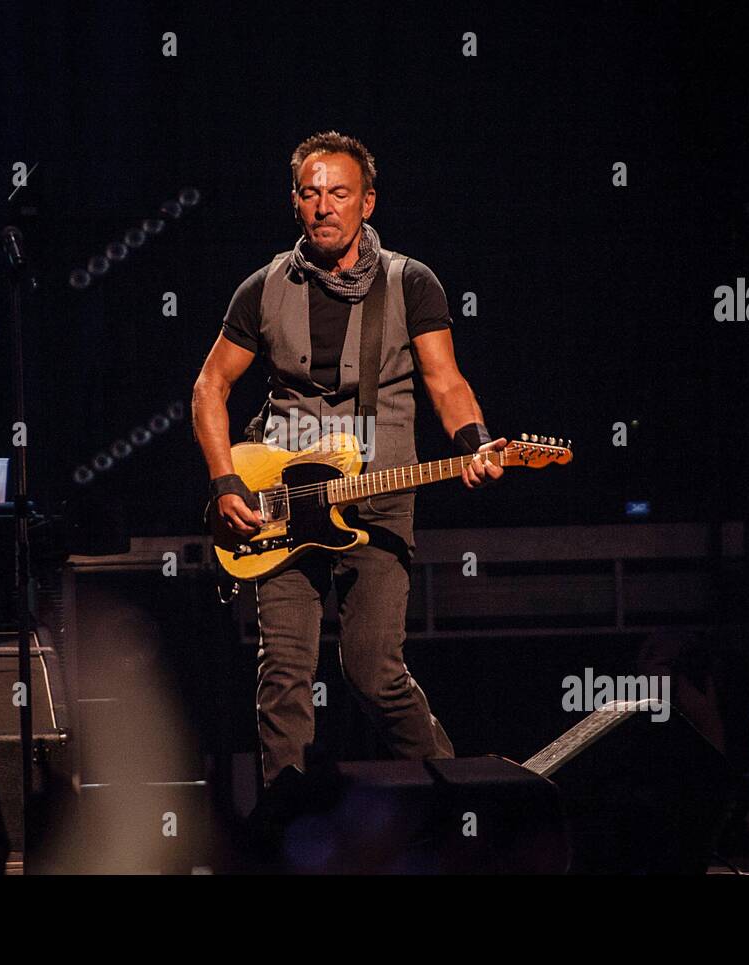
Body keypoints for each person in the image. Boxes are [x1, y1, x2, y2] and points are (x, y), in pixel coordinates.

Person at [192, 131, 504, 787]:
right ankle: (288, 822)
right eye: (311, 193)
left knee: (373, 670)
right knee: (283, 670)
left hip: (380, 494)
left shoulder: (410, 282)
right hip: (280, 499)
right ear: (295, 202)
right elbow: (210, 387)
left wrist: (474, 440)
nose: (323, 205)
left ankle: (461, 800)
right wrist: (226, 482)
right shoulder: (263, 287)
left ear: (367, 202)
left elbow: (445, 381)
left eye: (338, 193)